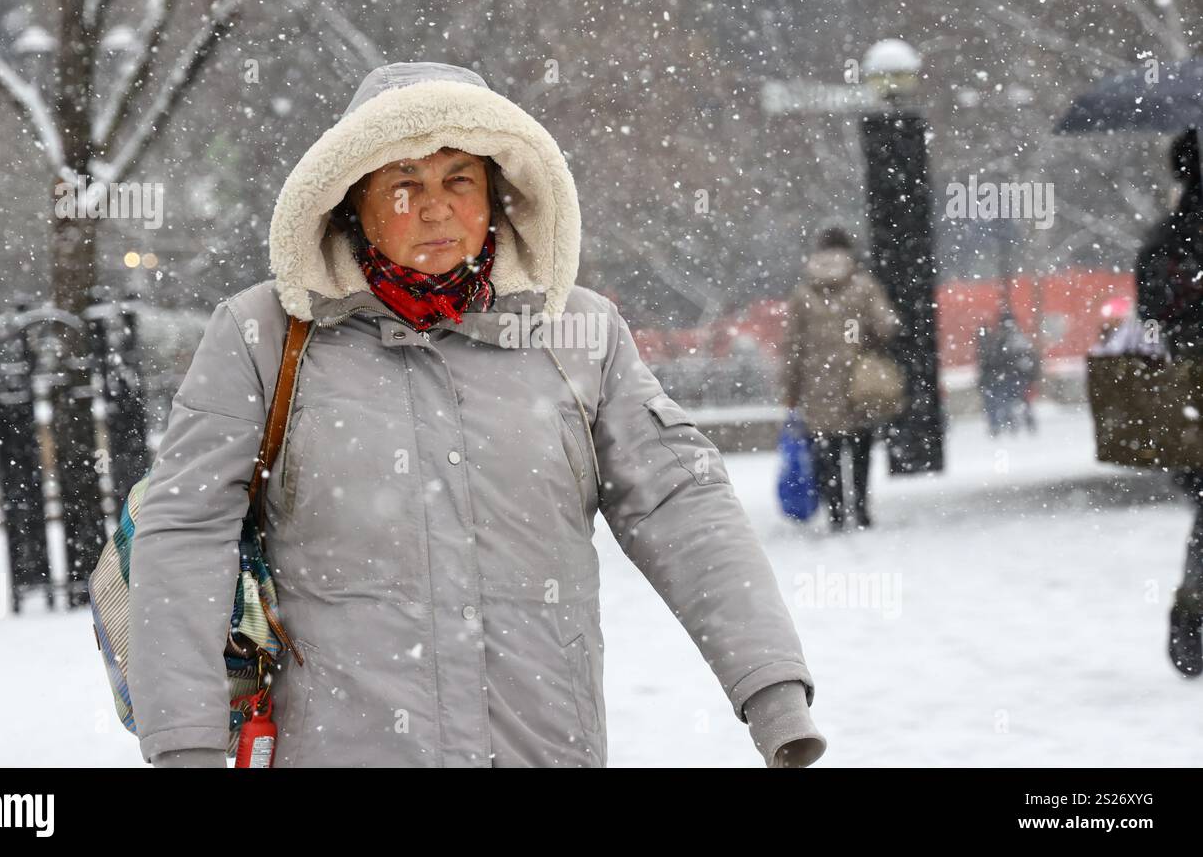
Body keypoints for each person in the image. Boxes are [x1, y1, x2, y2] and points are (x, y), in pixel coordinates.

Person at [126, 62, 827, 766]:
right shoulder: (265, 336)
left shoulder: (577, 333)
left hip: (542, 746)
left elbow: (682, 505)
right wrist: (184, 746)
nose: (435, 209)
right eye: (404, 183)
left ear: (496, 191)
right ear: (350, 200)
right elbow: (185, 530)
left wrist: (771, 689)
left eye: (458, 179)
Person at [1135, 128, 1203, 677]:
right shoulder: (1175, 238)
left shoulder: (1169, 237)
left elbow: (1152, 309)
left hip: (1191, 393)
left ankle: (1191, 631)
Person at [784, 226, 900, 531]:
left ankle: (836, 513)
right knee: (859, 451)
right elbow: (886, 326)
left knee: (826, 456)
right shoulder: (863, 287)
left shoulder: (803, 295)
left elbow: (792, 348)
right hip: (857, 384)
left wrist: (790, 388)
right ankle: (860, 510)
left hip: (816, 388)